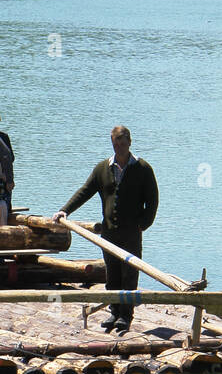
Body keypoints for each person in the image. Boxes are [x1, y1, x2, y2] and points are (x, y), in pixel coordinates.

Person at [53, 126, 158, 334]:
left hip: (131, 232)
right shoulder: (102, 168)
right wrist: (65, 210)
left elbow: (152, 202)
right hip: (109, 232)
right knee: (112, 274)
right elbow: (85, 191)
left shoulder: (143, 168)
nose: (118, 147)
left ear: (129, 142)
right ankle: (114, 311)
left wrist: (142, 225)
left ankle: (126, 316)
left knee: (129, 274)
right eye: (115, 143)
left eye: (122, 142)